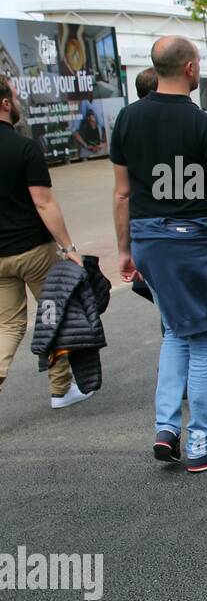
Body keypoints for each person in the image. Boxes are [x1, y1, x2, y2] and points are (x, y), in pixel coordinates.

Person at [111, 36, 207, 472]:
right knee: (206, 342)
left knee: (175, 331)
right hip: (192, 241)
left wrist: (124, 250)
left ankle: (166, 428)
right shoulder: (203, 126)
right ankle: (200, 444)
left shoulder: (126, 120)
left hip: (148, 241)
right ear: (191, 69)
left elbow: (122, 193)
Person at [0, 77, 92, 408]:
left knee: (8, 325)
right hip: (35, 251)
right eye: (16, 95)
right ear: (6, 104)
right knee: (55, 314)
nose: (20, 101)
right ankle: (60, 389)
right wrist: (68, 248)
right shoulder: (25, 147)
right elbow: (44, 203)